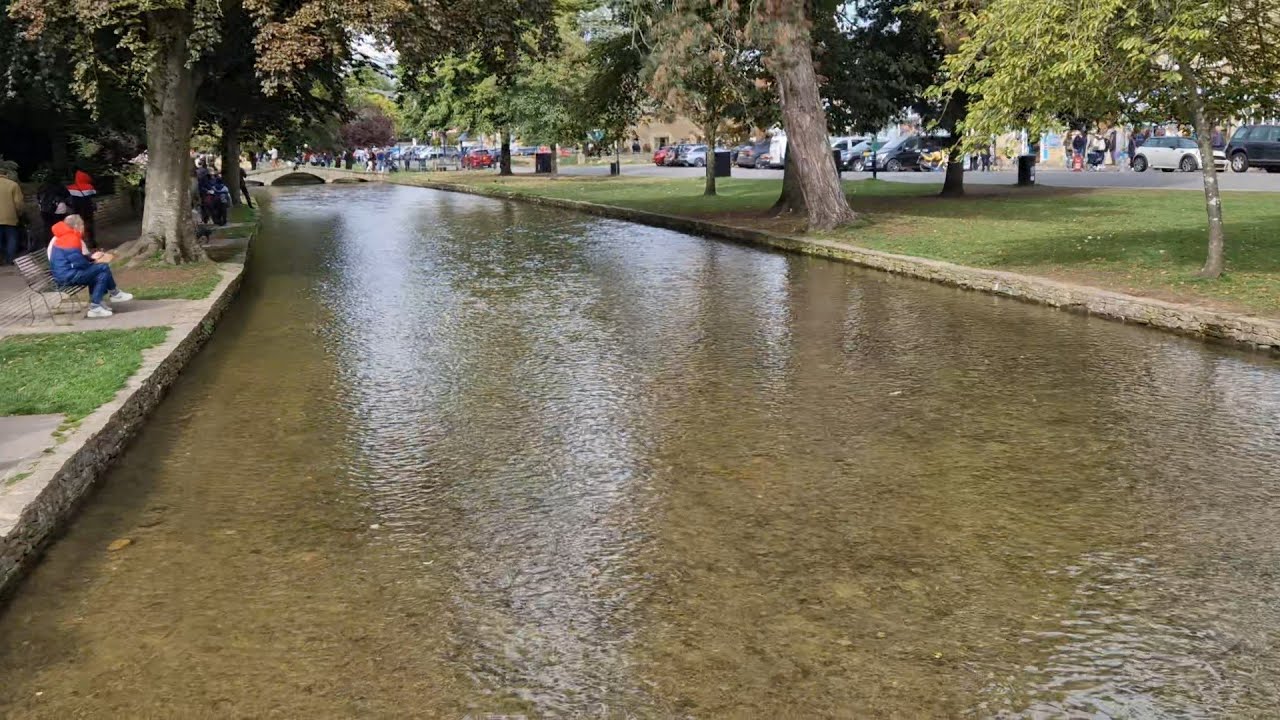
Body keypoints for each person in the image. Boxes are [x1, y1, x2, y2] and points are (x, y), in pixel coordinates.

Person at [47, 214, 132, 318]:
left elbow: (75, 258)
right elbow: (79, 263)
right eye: (82, 225)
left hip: (66, 274)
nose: (84, 228)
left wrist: (91, 258)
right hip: (67, 276)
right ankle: (114, 293)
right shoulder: (70, 239)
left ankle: (96, 305)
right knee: (103, 267)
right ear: (78, 226)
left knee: (101, 274)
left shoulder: (65, 236)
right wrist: (92, 263)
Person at [66, 170, 98, 248]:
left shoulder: (70, 188)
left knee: (77, 226)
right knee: (89, 225)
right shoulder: (90, 187)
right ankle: (91, 242)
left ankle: (79, 243)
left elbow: (67, 200)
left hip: (76, 210)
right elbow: (94, 199)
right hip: (88, 210)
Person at [0, 170, 25, 265]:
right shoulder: (13, 185)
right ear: (6, 174)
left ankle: (1, 258)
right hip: (10, 217)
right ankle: (10, 259)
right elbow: (18, 203)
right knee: (12, 239)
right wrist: (19, 213)